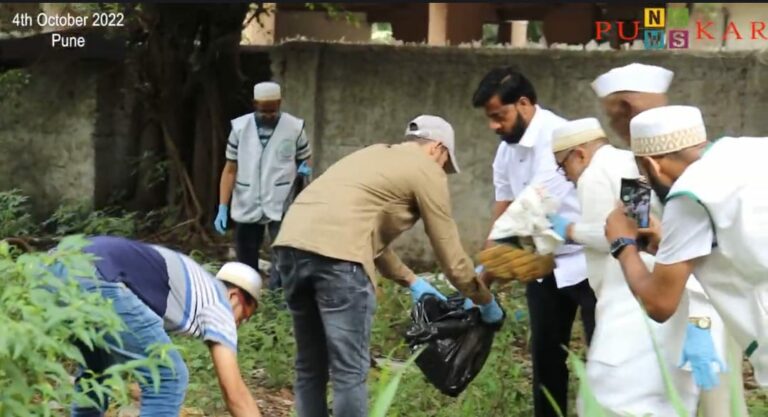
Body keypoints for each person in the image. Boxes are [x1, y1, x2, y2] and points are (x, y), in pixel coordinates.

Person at [272, 115, 504, 417]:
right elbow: (452, 258)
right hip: (340, 262)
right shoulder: (426, 170)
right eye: (445, 164)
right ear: (438, 148)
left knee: (309, 366)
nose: (443, 172)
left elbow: (361, 235)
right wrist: (484, 300)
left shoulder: (371, 156)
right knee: (349, 371)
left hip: (290, 245)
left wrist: (412, 281)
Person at [593, 63, 747, 416]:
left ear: (626, 109)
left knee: (719, 401)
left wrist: (702, 321)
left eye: (612, 115)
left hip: (706, 304)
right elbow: (641, 228)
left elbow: (712, 255)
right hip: (666, 300)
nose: (613, 127)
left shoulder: (694, 174)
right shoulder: (641, 169)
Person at [604, 105, 768, 390]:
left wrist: (622, 245)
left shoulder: (688, 194)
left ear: (652, 164)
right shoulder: (747, 150)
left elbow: (658, 303)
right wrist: (668, 240)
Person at [547, 118, 697, 416]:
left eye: (563, 168)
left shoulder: (592, 176)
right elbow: (641, 227)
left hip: (624, 290)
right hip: (653, 283)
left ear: (579, 154)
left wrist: (570, 231)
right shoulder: (629, 164)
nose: (567, 178)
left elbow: (620, 236)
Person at [471, 67, 595, 417]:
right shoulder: (506, 151)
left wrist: (486, 278)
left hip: (586, 258)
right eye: (490, 119)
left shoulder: (557, 137)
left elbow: (532, 210)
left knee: (601, 353)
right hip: (543, 262)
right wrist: (483, 266)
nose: (494, 126)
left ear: (524, 103)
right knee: (545, 355)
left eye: (500, 116)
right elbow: (504, 213)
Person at [51, 236, 264, 417]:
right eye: (243, 317)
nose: (237, 325)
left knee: (98, 370)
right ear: (235, 296)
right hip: (98, 276)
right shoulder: (219, 302)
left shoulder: (194, 282)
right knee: (168, 377)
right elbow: (234, 394)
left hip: (54, 265)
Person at [214, 81, 312, 289]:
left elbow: (304, 159)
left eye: (273, 110)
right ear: (255, 104)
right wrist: (222, 206)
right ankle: (247, 294)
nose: (268, 115)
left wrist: (304, 170)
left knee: (284, 253)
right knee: (246, 253)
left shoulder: (294, 128)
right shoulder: (240, 129)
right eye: (263, 110)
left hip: (281, 199)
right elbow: (230, 169)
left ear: (279, 103)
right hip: (247, 199)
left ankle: (279, 299)